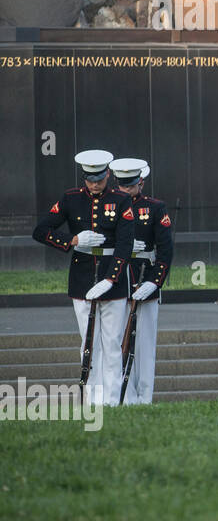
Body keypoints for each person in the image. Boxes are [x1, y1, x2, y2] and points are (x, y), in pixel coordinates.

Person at [31, 149, 134, 405]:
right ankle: (92, 400)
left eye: (99, 178)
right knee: (88, 343)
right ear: (84, 177)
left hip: (114, 279)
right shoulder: (70, 199)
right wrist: (73, 240)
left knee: (111, 344)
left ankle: (111, 401)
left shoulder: (121, 200)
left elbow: (125, 243)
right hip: (83, 276)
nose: (95, 184)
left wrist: (111, 278)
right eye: (90, 179)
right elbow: (41, 230)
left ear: (107, 175)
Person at [109, 157, 172, 404]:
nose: (125, 190)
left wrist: (154, 282)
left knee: (144, 346)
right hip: (115, 281)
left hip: (143, 277)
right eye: (122, 186)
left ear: (141, 183)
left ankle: (144, 398)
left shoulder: (155, 208)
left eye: (131, 186)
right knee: (117, 342)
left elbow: (165, 251)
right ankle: (123, 398)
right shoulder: (109, 205)